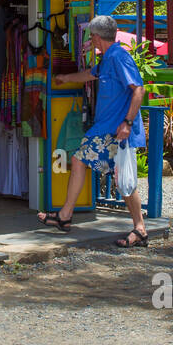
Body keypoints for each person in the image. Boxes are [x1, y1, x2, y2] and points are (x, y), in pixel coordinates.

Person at [36, 15, 148, 246]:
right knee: (107, 173)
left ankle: (137, 228)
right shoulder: (108, 58)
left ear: (97, 37)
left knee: (116, 177)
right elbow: (90, 74)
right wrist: (64, 78)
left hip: (115, 130)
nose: (91, 41)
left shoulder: (119, 57)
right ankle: (67, 217)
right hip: (106, 130)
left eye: (92, 37)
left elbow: (139, 90)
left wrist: (127, 123)